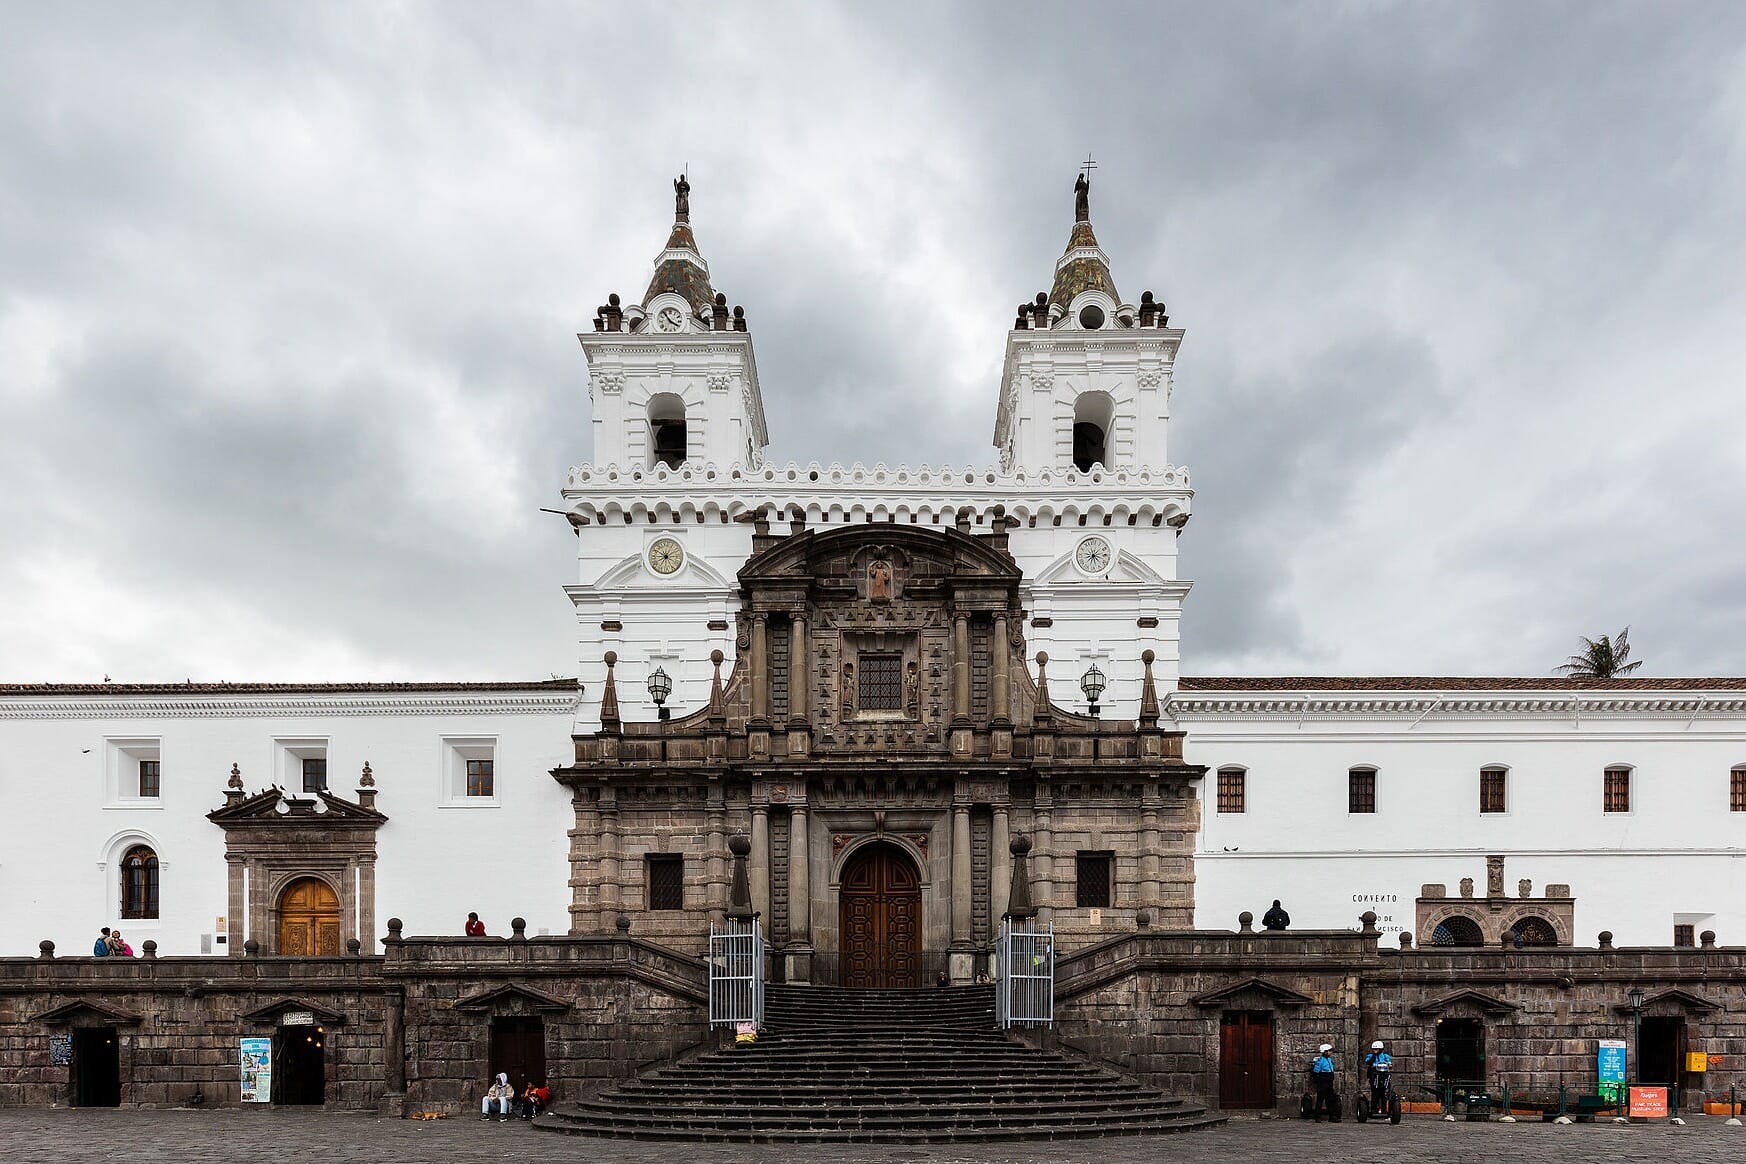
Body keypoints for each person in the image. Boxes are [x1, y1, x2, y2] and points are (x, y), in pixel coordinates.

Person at [1364, 1039, 1393, 1114]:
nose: (1374, 1050)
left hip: (1383, 1075)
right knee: (1375, 1092)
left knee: (1383, 1093)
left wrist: (1389, 1065)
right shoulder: (1370, 1056)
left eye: (1376, 1049)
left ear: (1380, 1049)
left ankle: (1384, 1109)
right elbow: (1367, 1061)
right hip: (1374, 1075)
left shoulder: (1385, 1056)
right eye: (1374, 1049)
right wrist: (1373, 1059)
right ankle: (1374, 1108)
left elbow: (1389, 1063)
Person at [1310, 1043, 1337, 1122]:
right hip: (1323, 1081)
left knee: (1330, 1099)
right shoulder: (1320, 1060)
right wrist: (1318, 1080)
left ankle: (1332, 1116)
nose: (1331, 1052)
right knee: (1320, 1099)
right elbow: (1316, 1071)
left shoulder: (1329, 1059)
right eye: (1329, 1051)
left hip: (1329, 1080)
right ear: (1325, 1052)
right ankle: (1317, 1116)